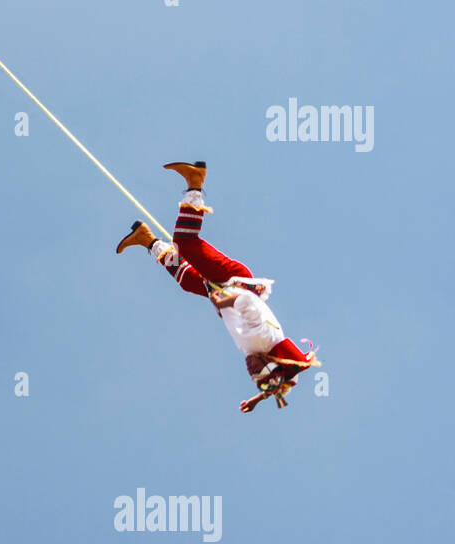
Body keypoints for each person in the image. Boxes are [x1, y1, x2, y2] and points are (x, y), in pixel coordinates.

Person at [115, 162, 319, 412]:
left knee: (188, 282)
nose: (250, 369)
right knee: (186, 242)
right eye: (257, 369)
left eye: (252, 375)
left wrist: (258, 398)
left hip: (222, 289)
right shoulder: (262, 340)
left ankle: (146, 239)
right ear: (268, 360)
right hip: (232, 283)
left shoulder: (263, 355)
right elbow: (248, 302)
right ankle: (195, 182)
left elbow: (288, 377)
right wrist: (222, 302)